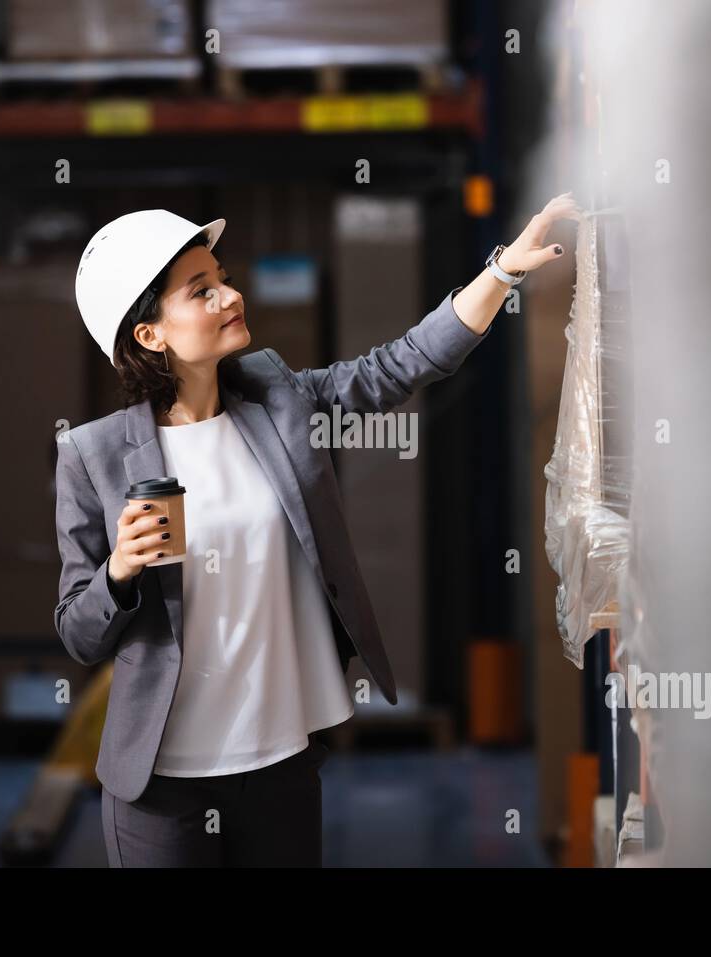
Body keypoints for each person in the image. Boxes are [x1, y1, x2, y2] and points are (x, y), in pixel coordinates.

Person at [57, 194, 581, 867]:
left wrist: (503, 270)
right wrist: (120, 571)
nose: (229, 295)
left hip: (279, 762)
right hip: (161, 786)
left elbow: (398, 367)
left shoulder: (276, 396)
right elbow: (77, 630)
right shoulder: (93, 457)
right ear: (150, 335)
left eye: (221, 278)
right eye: (201, 291)